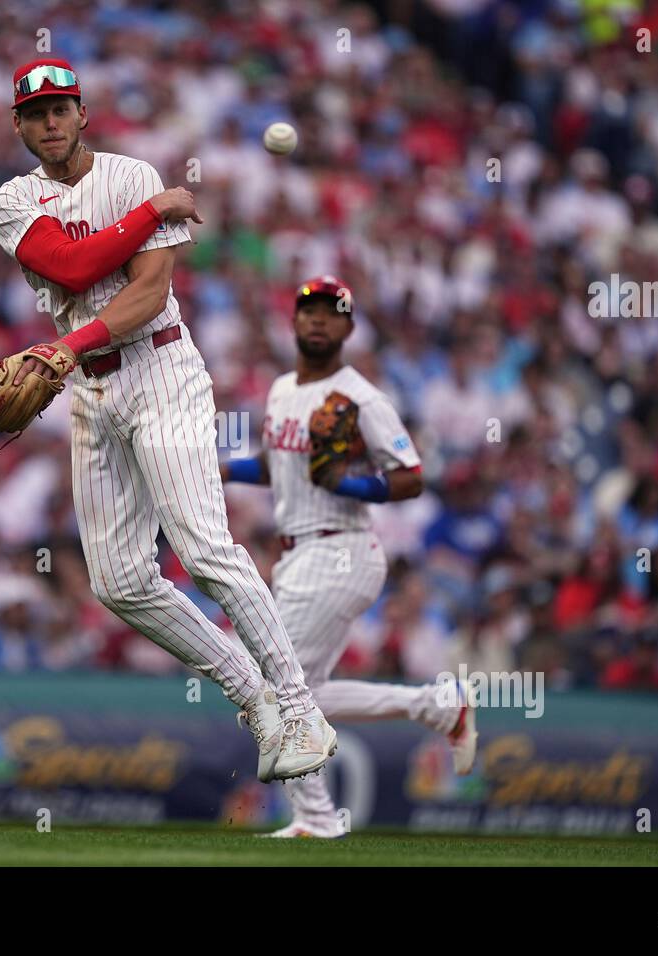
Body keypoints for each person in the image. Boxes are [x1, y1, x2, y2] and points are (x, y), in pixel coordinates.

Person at [0, 58, 334, 781]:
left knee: (203, 547)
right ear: (17, 124)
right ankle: (254, 698)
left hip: (160, 369)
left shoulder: (133, 173)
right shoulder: (12, 201)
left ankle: (301, 709)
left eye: (61, 108)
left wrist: (65, 346)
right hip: (89, 389)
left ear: (83, 114)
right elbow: (74, 269)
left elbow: (144, 296)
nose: (50, 122)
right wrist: (152, 215)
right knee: (117, 582)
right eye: (36, 112)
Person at [222, 275, 477, 838]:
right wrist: (221, 471)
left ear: (349, 327)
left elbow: (411, 477)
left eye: (331, 312)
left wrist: (351, 484)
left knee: (274, 688)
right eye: (308, 310)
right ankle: (435, 706)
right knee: (300, 691)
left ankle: (315, 817)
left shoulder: (362, 397)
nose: (317, 319)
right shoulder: (284, 388)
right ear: (292, 322)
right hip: (297, 555)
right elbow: (274, 466)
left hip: (339, 548)